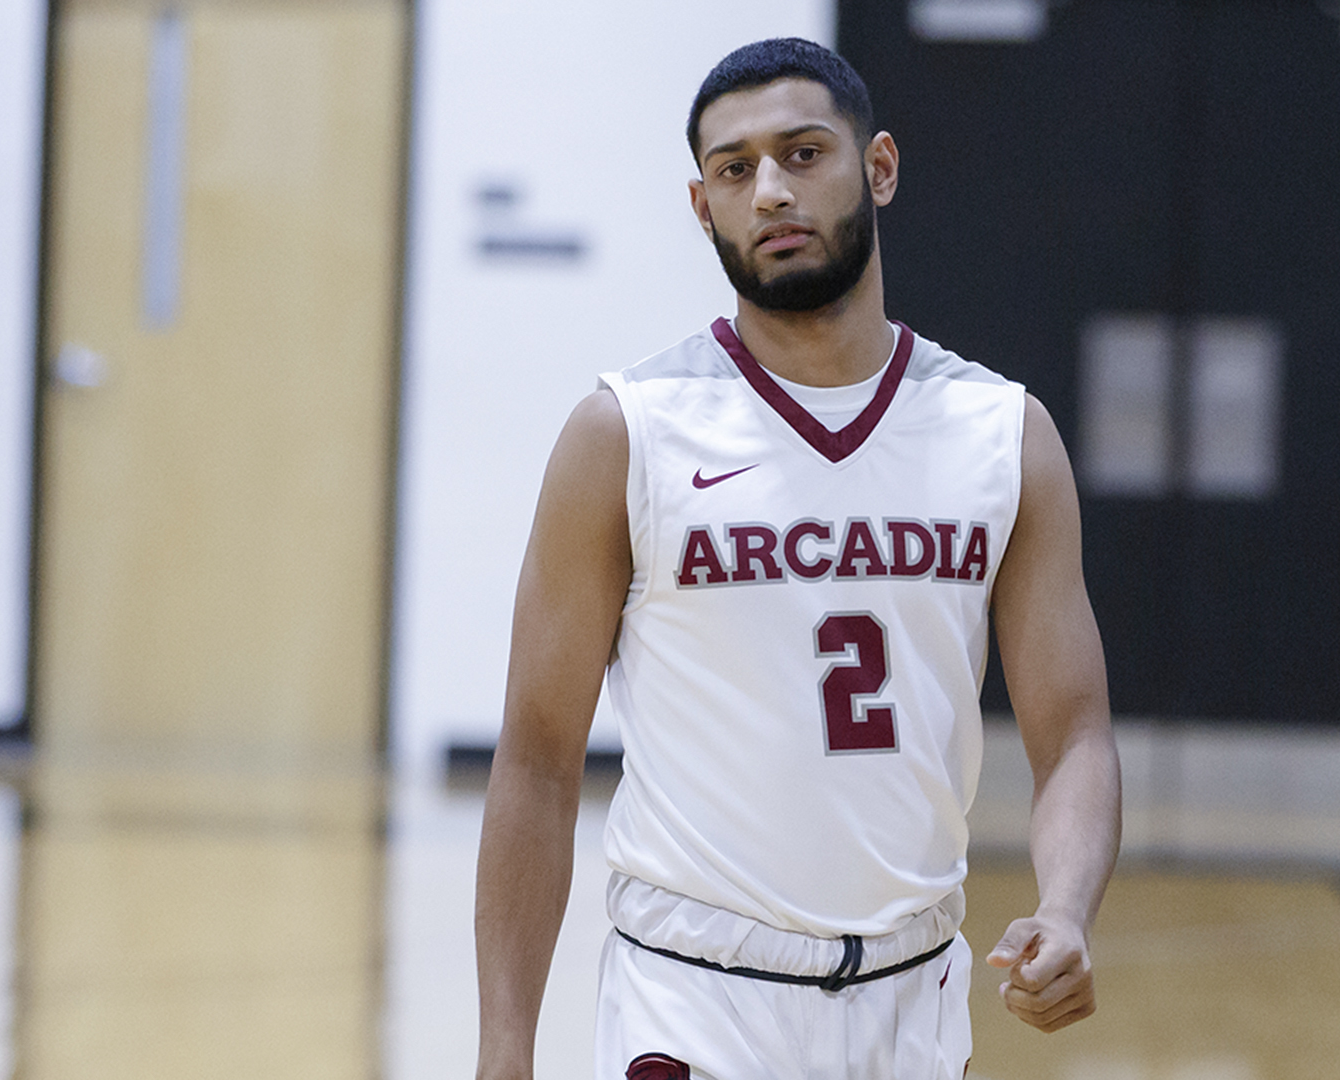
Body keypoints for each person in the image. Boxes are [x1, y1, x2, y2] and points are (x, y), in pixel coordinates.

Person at [474, 38, 1121, 1079]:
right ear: (702, 207)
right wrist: (503, 1052)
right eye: (735, 169)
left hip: (913, 997)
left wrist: (1068, 908)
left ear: (880, 168)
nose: (770, 189)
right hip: (692, 998)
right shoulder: (626, 435)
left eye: (803, 152)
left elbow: (1075, 733)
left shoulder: (1003, 436)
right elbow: (539, 761)